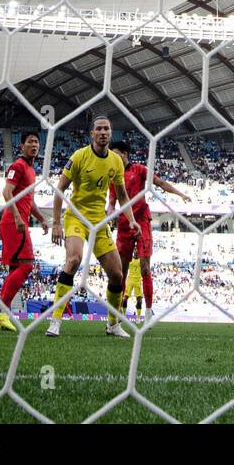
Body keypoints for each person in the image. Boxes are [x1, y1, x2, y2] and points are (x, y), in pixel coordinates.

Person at [48, 116, 134, 339]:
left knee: (117, 275)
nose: (103, 132)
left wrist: (132, 220)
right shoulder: (79, 156)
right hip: (76, 217)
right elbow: (60, 190)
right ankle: (55, 320)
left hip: (99, 221)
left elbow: (123, 196)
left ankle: (113, 324)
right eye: (99, 129)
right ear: (92, 134)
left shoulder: (116, 161)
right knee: (74, 259)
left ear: (111, 132)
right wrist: (56, 223)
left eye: (107, 128)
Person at [107, 140, 191, 325]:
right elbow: (112, 201)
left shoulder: (139, 170)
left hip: (142, 221)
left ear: (125, 154)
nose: (113, 157)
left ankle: (148, 311)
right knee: (121, 271)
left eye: (116, 154)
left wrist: (180, 194)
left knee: (145, 266)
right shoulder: (114, 176)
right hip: (124, 225)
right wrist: (109, 215)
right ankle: (119, 312)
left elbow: (160, 183)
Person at [0, 132, 49, 332]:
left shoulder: (31, 170)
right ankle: (1, 310)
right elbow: (6, 192)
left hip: (17, 222)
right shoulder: (18, 166)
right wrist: (17, 217)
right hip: (13, 222)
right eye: (30, 141)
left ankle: (0, 315)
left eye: (36, 142)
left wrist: (41, 218)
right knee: (26, 266)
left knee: (15, 269)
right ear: (22, 146)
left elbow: (29, 201)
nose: (34, 144)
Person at [123, 256, 145, 323]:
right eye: (134, 249)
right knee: (124, 299)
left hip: (138, 281)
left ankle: (138, 318)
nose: (135, 251)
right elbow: (125, 268)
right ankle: (123, 316)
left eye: (137, 250)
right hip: (130, 280)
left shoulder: (141, 260)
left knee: (139, 301)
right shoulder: (129, 259)